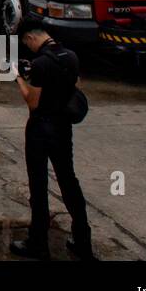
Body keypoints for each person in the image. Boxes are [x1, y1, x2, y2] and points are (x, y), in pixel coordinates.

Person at [12, 26, 94, 261]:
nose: (28, 46)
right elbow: (74, 85)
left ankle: (38, 243)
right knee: (69, 181)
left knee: (39, 186)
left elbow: (33, 102)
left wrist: (18, 75)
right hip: (63, 128)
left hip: (40, 129)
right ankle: (82, 241)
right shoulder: (71, 56)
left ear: (30, 37)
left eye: (27, 43)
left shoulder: (41, 64)